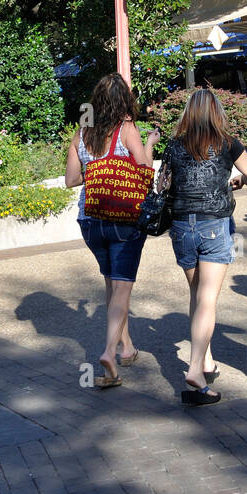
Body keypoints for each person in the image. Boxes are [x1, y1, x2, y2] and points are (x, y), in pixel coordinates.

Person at [65, 74, 160, 389]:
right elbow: (145, 169)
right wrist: (148, 144)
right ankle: (108, 353)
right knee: (122, 288)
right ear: (124, 102)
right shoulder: (127, 129)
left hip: (90, 220)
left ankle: (126, 346)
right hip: (123, 218)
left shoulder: (82, 134)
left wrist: (98, 172)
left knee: (112, 284)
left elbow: (71, 180)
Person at [166, 88, 247, 405]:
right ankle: (194, 368)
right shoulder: (227, 143)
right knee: (207, 299)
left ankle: (205, 360)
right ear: (217, 113)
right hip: (214, 225)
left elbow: (164, 184)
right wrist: (240, 181)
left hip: (181, 226)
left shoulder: (175, 144)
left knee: (196, 295)